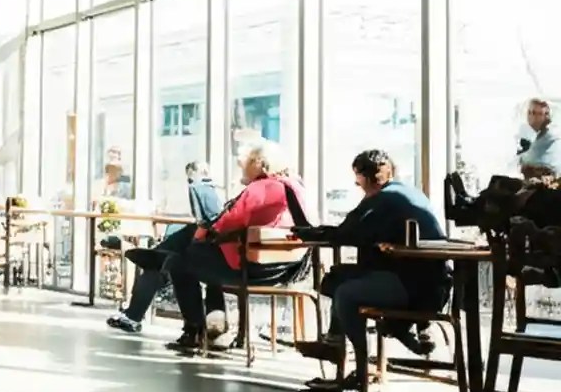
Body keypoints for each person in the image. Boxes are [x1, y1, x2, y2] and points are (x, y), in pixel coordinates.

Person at [295, 150, 450, 367]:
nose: (358, 187)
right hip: (433, 285)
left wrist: (307, 233)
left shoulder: (382, 198)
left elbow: (349, 231)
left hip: (411, 287)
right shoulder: (409, 193)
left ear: (365, 178)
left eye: (357, 182)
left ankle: (357, 365)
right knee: (340, 276)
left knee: (340, 285)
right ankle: (340, 342)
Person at [163, 140, 307, 352]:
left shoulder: (261, 188)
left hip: (252, 269)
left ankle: (193, 330)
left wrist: (206, 231)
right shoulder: (295, 187)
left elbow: (226, 224)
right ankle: (215, 330)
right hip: (288, 268)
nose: (243, 166)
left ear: (259, 164)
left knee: (180, 260)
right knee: (201, 255)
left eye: (247, 161)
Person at [106, 161, 224, 335]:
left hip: (211, 249)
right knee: (159, 265)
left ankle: (134, 313)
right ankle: (155, 257)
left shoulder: (211, 192)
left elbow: (215, 223)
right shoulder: (214, 193)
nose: (192, 182)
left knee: (161, 263)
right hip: (207, 245)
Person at [519, 98, 561, 178]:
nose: (530, 117)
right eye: (529, 113)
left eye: (535, 113)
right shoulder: (543, 133)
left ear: (546, 115)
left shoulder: (550, 136)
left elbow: (531, 160)